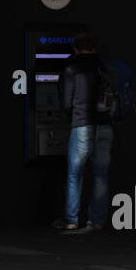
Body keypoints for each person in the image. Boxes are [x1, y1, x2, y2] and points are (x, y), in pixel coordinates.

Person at [53, 32, 113, 234]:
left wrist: (71, 116)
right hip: (105, 126)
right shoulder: (104, 68)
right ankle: (96, 221)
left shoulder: (72, 69)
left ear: (75, 49)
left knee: (75, 175)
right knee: (100, 175)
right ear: (94, 48)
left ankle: (72, 220)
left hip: (82, 125)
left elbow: (66, 103)